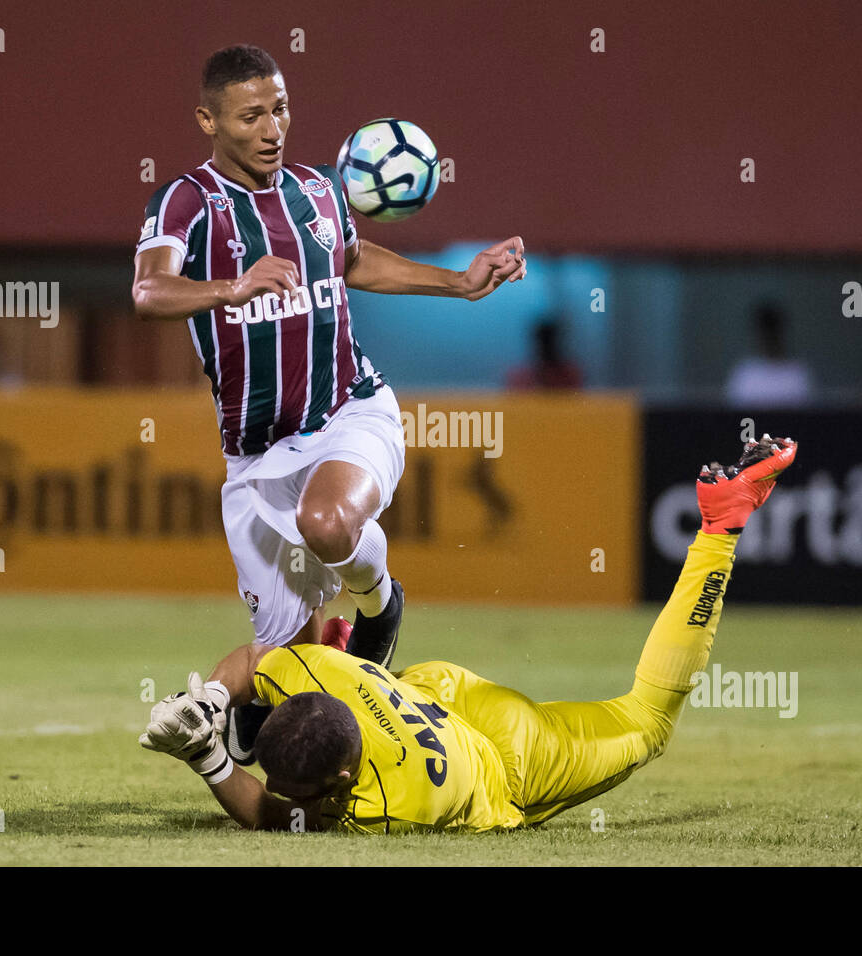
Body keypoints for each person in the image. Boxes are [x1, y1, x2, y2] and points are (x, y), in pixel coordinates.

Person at [130, 45, 527, 761]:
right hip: (254, 459)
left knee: (325, 520)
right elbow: (149, 292)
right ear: (209, 121)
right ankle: (251, 723)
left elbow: (349, 259)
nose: (272, 128)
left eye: (280, 109)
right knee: (279, 697)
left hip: (350, 410)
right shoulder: (187, 201)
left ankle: (379, 602)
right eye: (251, 115)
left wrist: (460, 284)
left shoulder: (316, 188)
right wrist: (230, 287)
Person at [139, 434, 798, 832]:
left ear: (339, 781)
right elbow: (262, 660)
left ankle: (720, 528)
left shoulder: (390, 807)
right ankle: (373, 627)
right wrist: (213, 702)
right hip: (444, 696)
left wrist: (210, 751)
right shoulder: (323, 681)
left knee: (648, 721)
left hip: (501, 764)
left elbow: (276, 819)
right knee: (344, 668)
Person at [725, 303, 813, 408]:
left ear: (781, 333)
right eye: (765, 332)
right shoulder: (744, 374)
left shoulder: (799, 374)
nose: (769, 338)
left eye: (772, 332)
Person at [505, 319, 583, 390]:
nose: (546, 347)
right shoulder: (521, 377)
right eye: (544, 342)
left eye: (550, 342)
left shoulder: (570, 375)